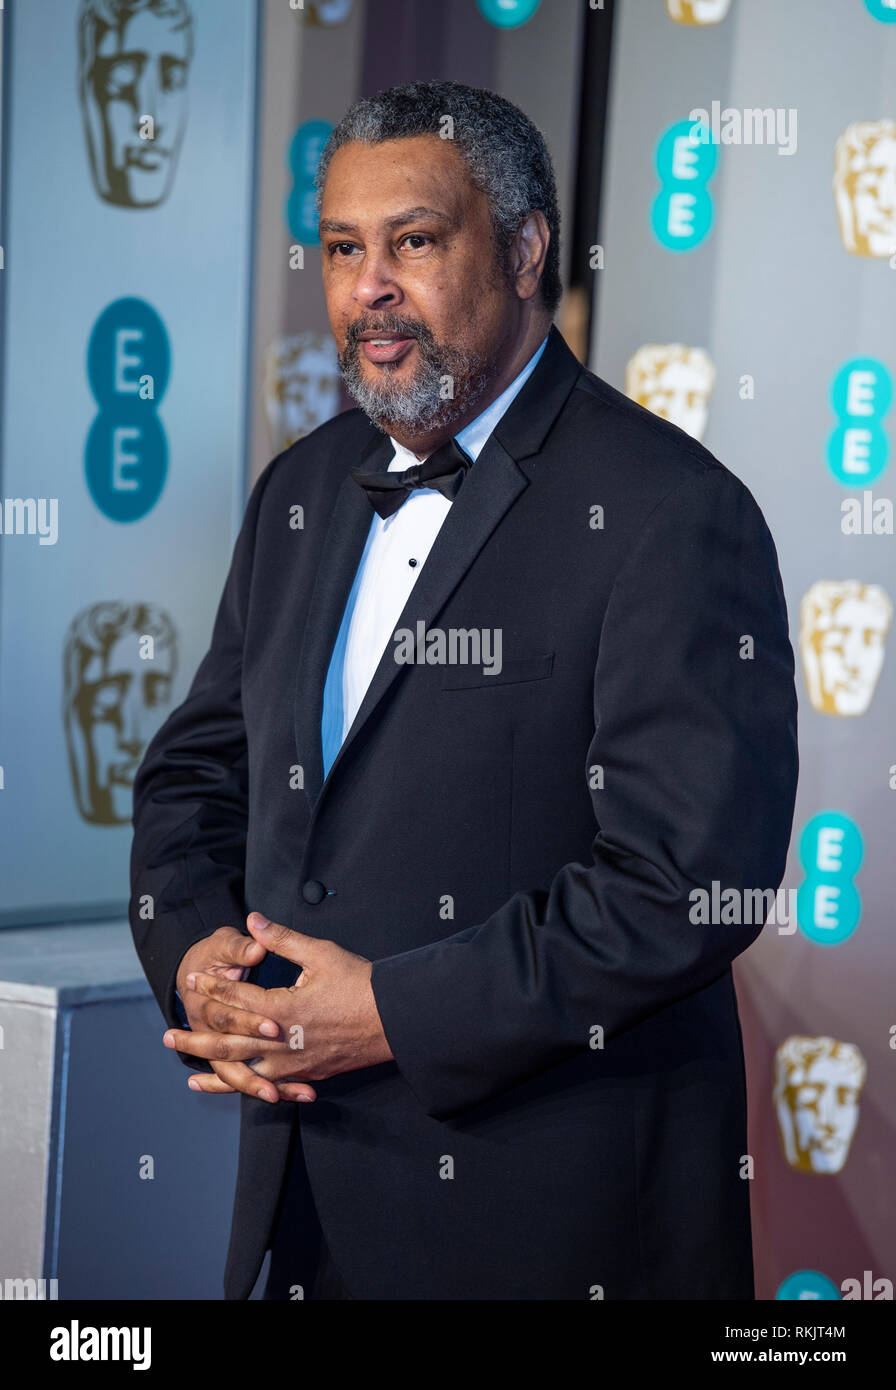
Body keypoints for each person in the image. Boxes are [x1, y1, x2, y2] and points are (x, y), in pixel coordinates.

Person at [129, 80, 799, 1300]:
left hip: (547, 1226)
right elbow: (196, 771)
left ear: (526, 249)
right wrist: (192, 954)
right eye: (342, 248)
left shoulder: (668, 512)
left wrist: (390, 1009)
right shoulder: (301, 487)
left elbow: (686, 881)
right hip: (301, 1204)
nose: (368, 286)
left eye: (414, 242)